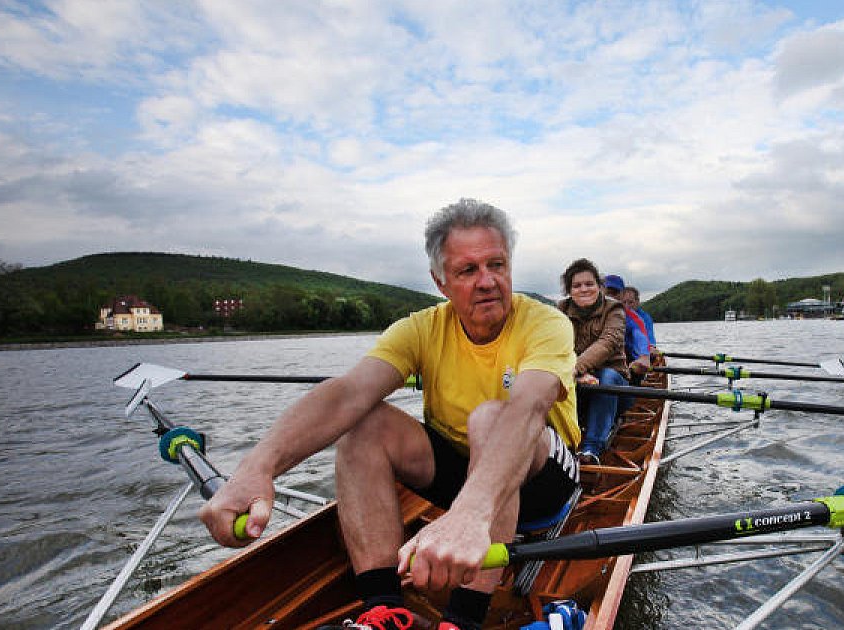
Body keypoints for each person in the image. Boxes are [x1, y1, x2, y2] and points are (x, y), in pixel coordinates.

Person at [198, 199, 581, 630]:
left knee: (491, 418)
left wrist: (471, 513)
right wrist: (257, 467)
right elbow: (346, 394)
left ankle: (463, 619)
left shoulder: (546, 323)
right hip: (463, 474)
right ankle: (383, 609)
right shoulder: (421, 328)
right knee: (363, 422)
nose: (488, 281)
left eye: (497, 264)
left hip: (543, 480)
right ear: (441, 282)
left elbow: (527, 408)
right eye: (467, 270)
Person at [556, 259, 632, 464]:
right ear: (569, 290)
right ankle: (555, 442)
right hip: (578, 383)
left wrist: (573, 370)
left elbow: (607, 343)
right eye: (577, 285)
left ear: (599, 287)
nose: (584, 289)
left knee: (606, 376)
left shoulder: (614, 309)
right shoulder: (560, 311)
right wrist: (579, 375)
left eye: (589, 284)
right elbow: (553, 346)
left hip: (615, 387)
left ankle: (591, 449)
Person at [602, 274, 651, 384]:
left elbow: (641, 336)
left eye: (615, 293)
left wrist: (644, 356)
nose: (611, 297)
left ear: (622, 295)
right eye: (607, 293)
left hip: (629, 364)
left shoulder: (633, 318)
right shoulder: (594, 313)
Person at [621, 285, 656, 350]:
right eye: (624, 302)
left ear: (637, 302)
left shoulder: (645, 317)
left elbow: (649, 335)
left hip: (639, 351)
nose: (626, 306)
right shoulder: (617, 315)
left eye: (630, 302)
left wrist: (651, 347)